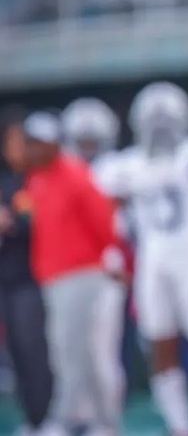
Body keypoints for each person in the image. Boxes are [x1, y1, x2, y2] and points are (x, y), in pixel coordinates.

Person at [103, 83, 188, 436]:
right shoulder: (125, 164)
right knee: (160, 342)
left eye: (166, 120)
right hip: (152, 261)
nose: (159, 129)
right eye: (153, 121)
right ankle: (179, 424)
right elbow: (108, 208)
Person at [22, 110, 125, 435]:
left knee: (86, 350)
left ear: (54, 143)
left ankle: (95, 421)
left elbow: (103, 222)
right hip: (54, 278)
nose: (33, 149)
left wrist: (109, 259)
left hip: (82, 274)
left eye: (39, 143)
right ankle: (80, 418)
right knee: (65, 350)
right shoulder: (37, 180)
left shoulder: (75, 174)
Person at [60, 97, 132, 430]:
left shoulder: (118, 168)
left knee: (103, 351)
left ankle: (107, 421)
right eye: (82, 141)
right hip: (69, 270)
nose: (88, 148)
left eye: (93, 141)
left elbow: (119, 224)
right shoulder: (62, 171)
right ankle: (77, 415)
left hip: (106, 268)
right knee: (70, 349)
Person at [0, 108, 53, 434]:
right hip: (6, 277)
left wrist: (14, 224)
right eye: (11, 141)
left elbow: (40, 223)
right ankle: (32, 418)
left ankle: (47, 417)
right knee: (17, 350)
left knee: (36, 348)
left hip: (35, 279)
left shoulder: (39, 179)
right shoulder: (6, 182)